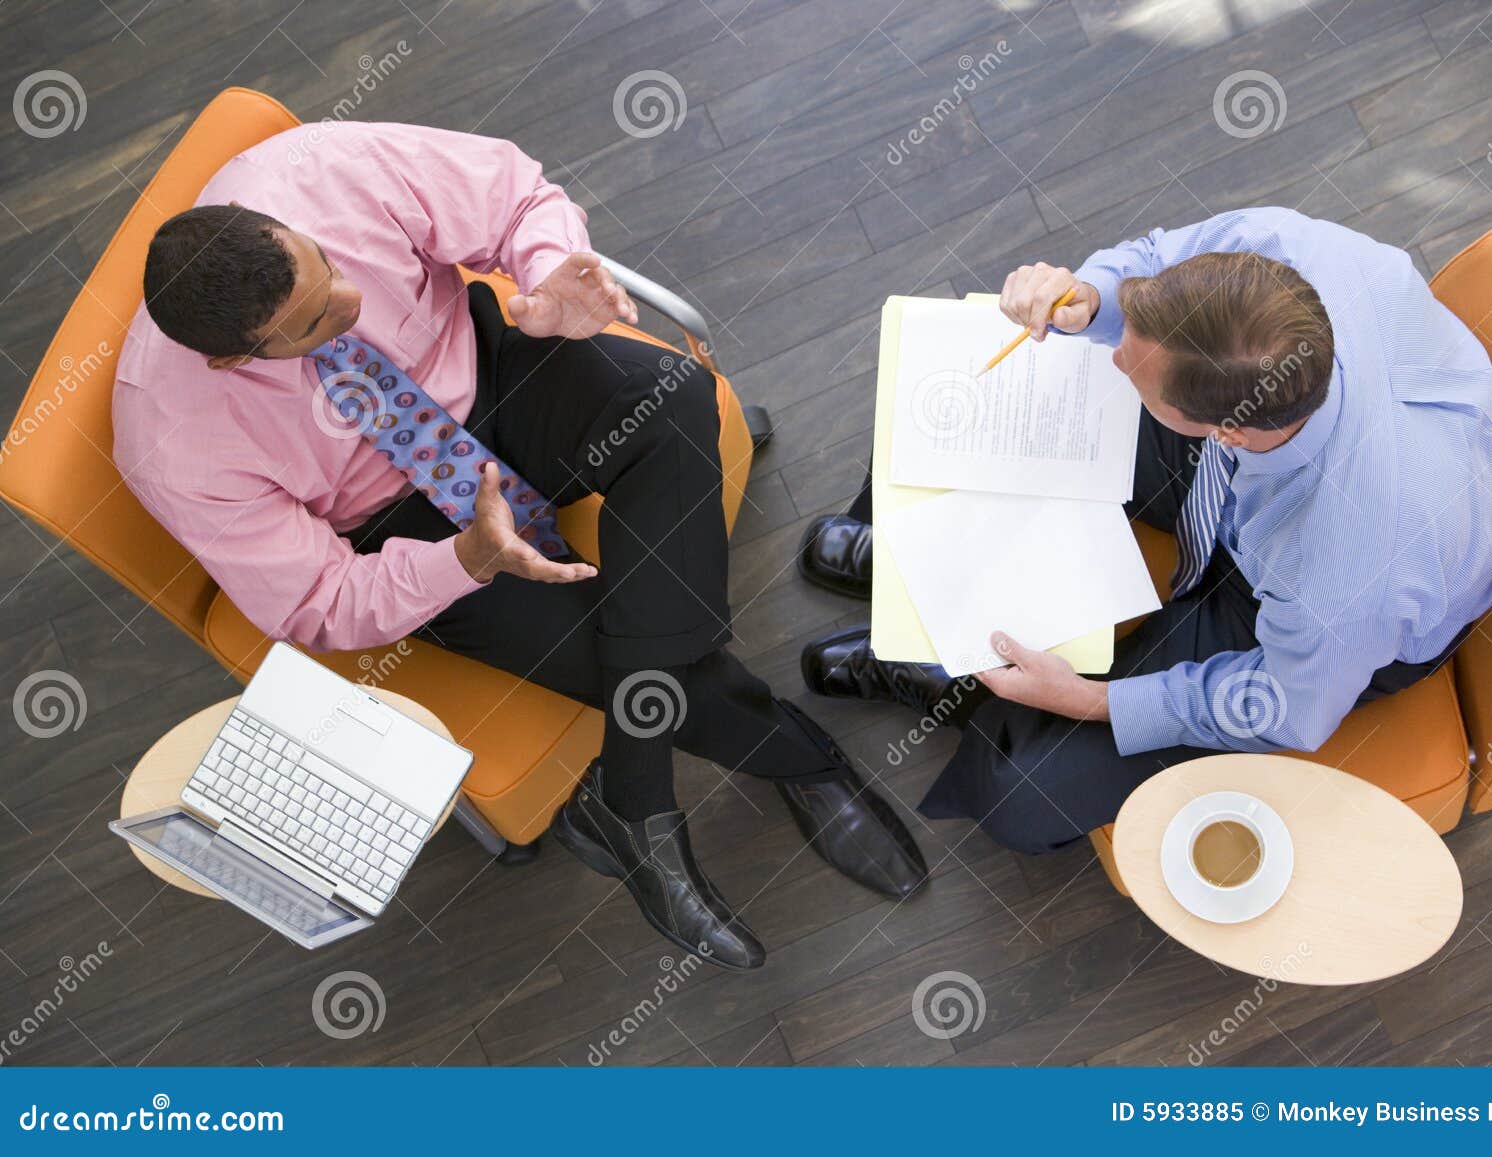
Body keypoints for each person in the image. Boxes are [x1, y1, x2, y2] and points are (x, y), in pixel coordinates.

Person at [115, 121, 927, 971]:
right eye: (319, 319)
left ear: (279, 223)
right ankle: (800, 755)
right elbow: (318, 599)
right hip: (404, 521)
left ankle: (636, 794)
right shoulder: (171, 437)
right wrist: (465, 559)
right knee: (612, 644)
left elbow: (513, 195)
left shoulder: (315, 169)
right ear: (236, 360)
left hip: (488, 370)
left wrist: (545, 271)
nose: (350, 300)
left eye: (330, 265)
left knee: (674, 397)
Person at [798, 207, 1492, 854]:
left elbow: (1285, 708)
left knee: (1023, 790)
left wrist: (1092, 701)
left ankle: (954, 677)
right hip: (1275, 481)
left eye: (1134, 369)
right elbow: (1149, 260)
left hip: (1323, 621)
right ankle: (915, 580)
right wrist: (1089, 299)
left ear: (1225, 433)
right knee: (966, 402)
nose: (1115, 357)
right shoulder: (1278, 253)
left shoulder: (1344, 578)